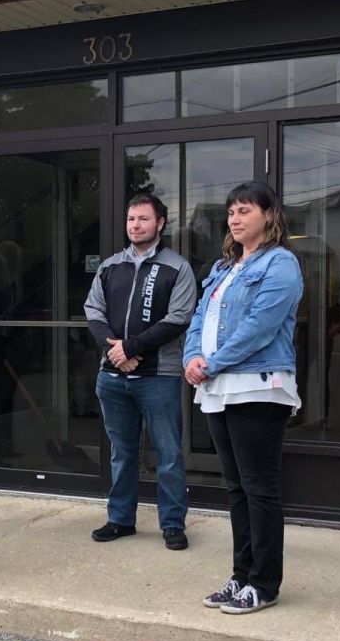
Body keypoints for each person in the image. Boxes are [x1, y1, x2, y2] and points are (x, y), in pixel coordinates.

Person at [183, 181, 303, 614]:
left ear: (269, 216)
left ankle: (264, 584)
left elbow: (260, 327)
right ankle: (241, 575)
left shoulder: (281, 264)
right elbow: (200, 317)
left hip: (257, 386)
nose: (234, 219)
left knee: (260, 489)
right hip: (217, 389)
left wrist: (211, 363)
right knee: (236, 488)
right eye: (232, 211)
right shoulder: (223, 267)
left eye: (245, 210)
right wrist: (192, 357)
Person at [84, 193, 196, 550]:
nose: (135, 225)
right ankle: (120, 519)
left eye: (143, 219)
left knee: (168, 453)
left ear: (160, 223)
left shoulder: (177, 268)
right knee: (122, 452)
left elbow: (179, 318)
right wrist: (115, 351)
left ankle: (173, 524)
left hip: (158, 377)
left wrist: (130, 349)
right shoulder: (109, 267)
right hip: (113, 376)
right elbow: (93, 312)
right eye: (131, 219)